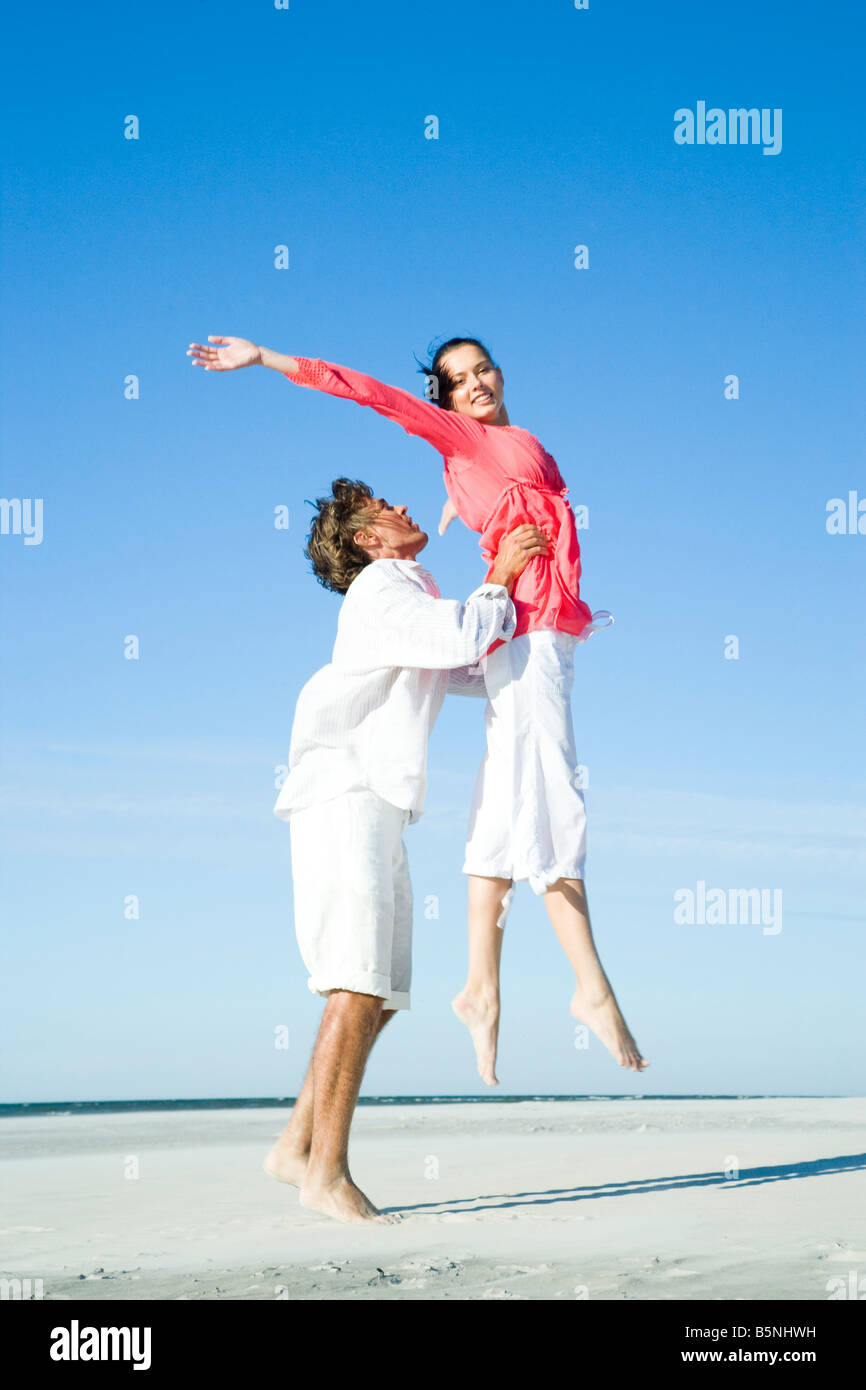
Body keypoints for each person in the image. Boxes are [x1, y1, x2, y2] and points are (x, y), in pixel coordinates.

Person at [186, 334, 648, 1087]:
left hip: (527, 635)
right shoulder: (459, 438)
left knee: (502, 813)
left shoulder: (512, 443)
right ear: (442, 400)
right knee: (555, 808)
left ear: (501, 372)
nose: (473, 385)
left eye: (482, 370)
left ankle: (480, 989)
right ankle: (591, 988)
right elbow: (370, 391)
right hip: (524, 630)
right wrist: (267, 360)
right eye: (454, 380)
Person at [257, 476, 547, 1223]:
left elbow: (466, 667)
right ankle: (326, 1172)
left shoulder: (405, 597)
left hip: (379, 802)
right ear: (367, 539)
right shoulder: (383, 586)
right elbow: (461, 635)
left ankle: (295, 1144)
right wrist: (501, 577)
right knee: (356, 984)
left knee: (378, 994)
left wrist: (545, 634)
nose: (409, 511)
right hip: (345, 793)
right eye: (390, 509)